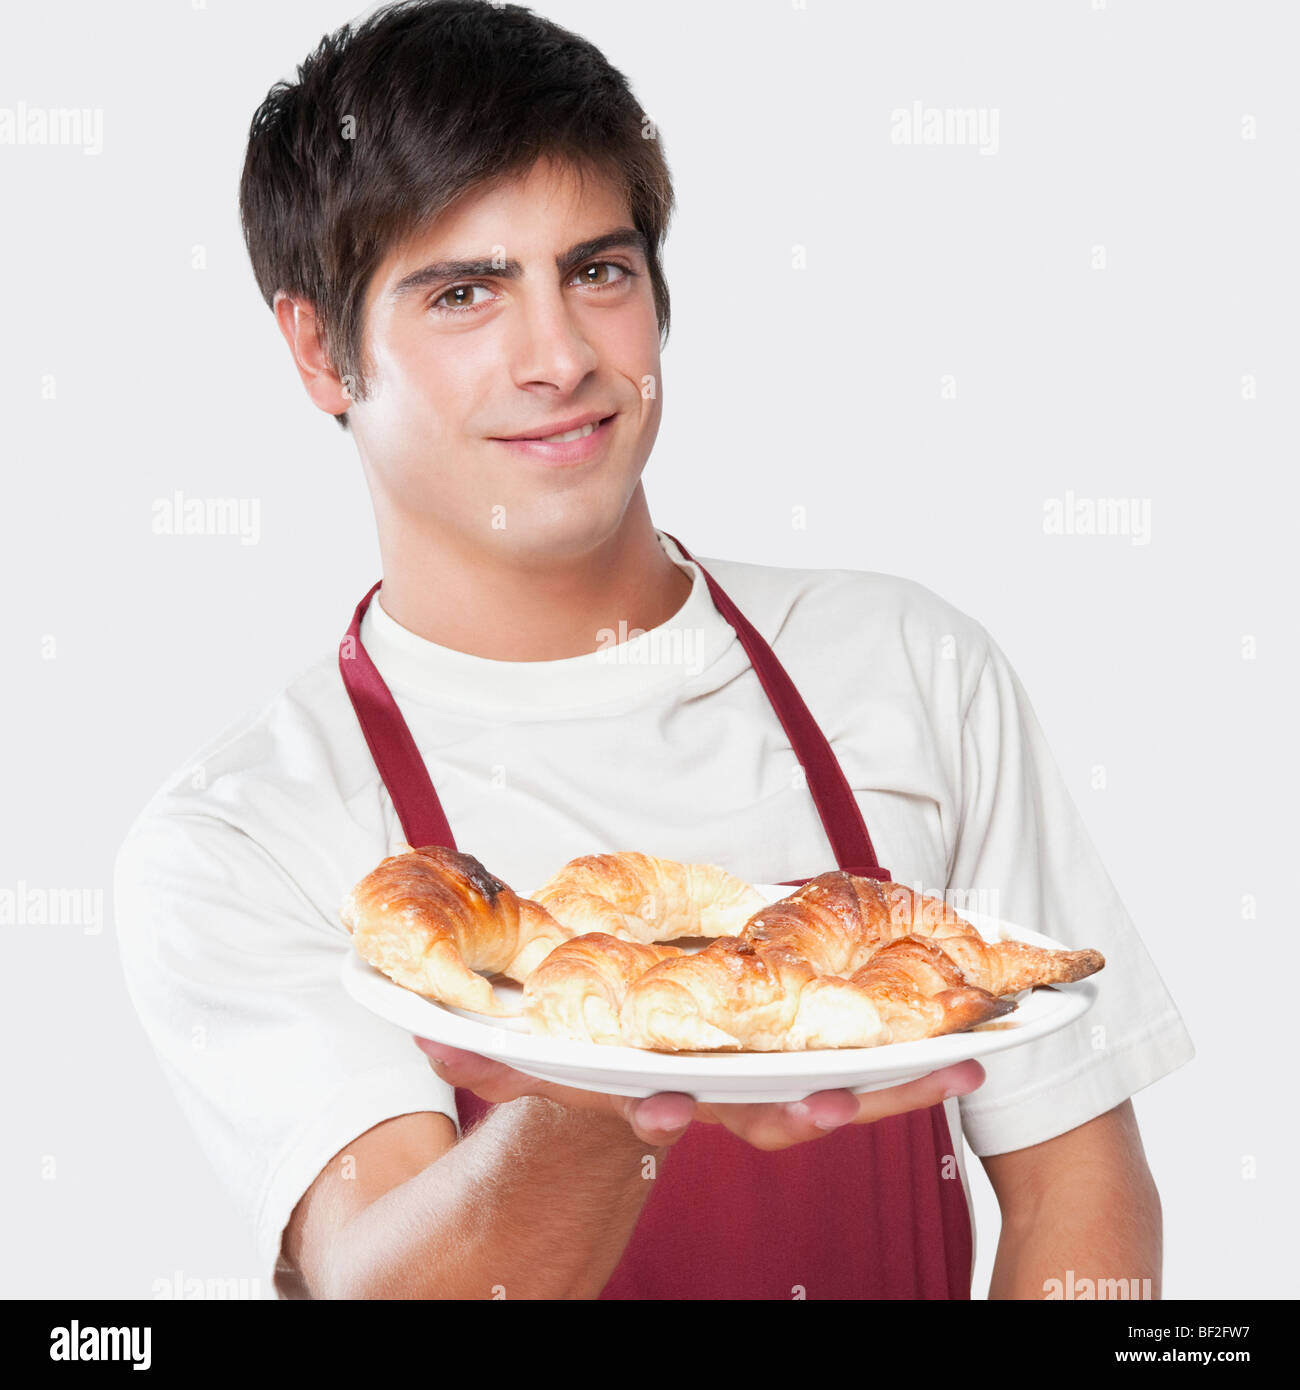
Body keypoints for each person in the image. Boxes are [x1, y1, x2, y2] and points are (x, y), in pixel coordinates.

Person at [114, 0, 1194, 1301]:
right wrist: (613, 1081)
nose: (560, 357)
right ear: (317, 351)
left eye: (599, 271)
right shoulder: (247, 833)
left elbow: (1080, 1186)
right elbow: (383, 1282)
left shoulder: (905, 663)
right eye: (465, 292)